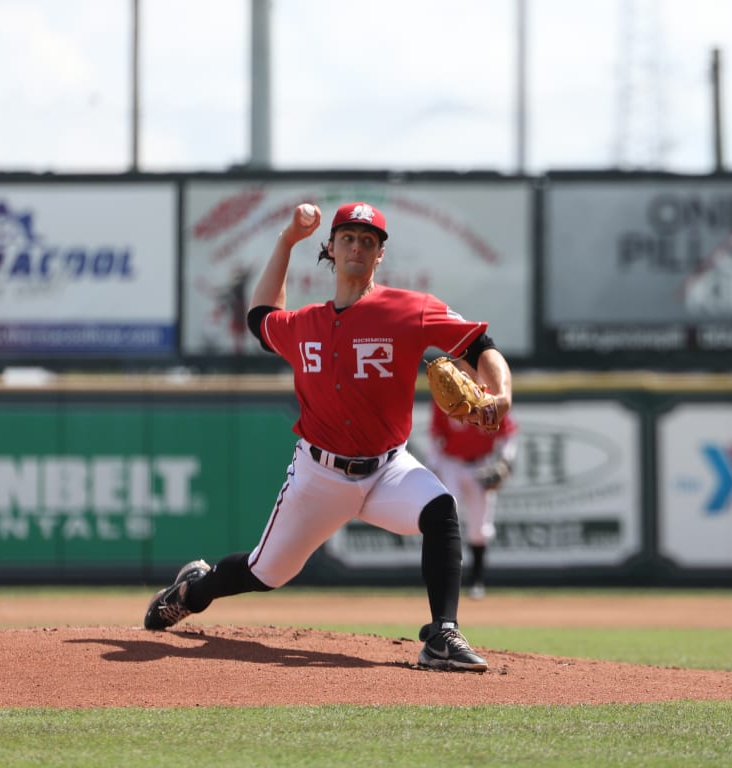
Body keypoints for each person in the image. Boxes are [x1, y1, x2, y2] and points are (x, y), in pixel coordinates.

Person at [143, 201, 513, 672]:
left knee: (441, 510)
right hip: (319, 474)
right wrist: (285, 241)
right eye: (348, 239)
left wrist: (499, 395)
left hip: (387, 468)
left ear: (380, 254)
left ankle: (442, 634)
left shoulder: (410, 309)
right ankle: (193, 590)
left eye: (368, 241)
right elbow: (259, 317)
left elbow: (481, 344)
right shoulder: (304, 325)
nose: (357, 247)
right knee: (265, 572)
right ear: (331, 250)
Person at [428, 405, 518, 599]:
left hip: (481, 464)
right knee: (446, 520)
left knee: (479, 527)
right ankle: (445, 581)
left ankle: (476, 581)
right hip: (451, 463)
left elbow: (507, 433)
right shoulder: (446, 391)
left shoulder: (492, 397)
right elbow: (435, 435)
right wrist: (434, 466)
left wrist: (505, 462)